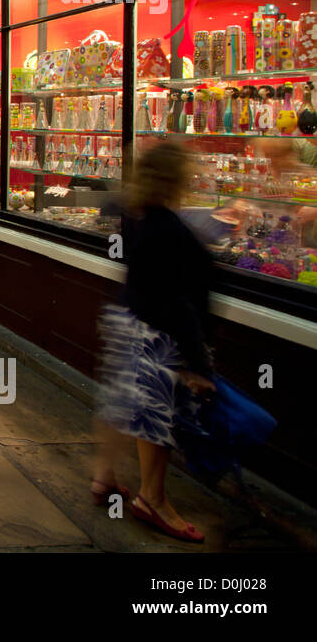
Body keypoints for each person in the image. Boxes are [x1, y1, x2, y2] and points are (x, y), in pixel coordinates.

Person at [92, 141, 216, 543]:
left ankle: (105, 477)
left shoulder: (135, 213)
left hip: (129, 320)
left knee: (122, 404)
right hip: (158, 337)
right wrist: (198, 362)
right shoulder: (169, 228)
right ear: (173, 179)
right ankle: (153, 500)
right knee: (155, 420)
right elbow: (179, 301)